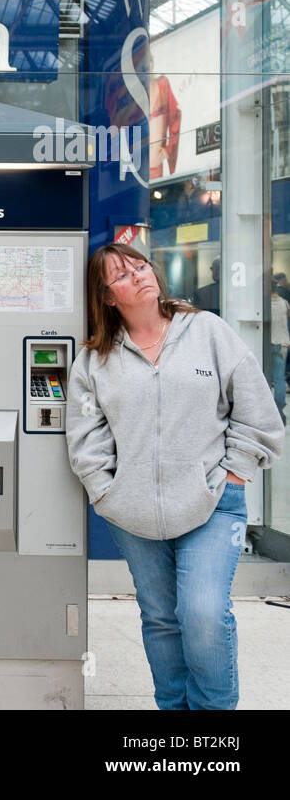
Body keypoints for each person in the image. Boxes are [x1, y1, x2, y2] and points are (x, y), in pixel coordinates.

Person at [66, 243, 283, 710]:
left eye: (140, 265)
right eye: (122, 275)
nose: (139, 276)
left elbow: (258, 413)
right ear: (106, 297)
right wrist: (107, 493)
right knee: (161, 617)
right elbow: (86, 439)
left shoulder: (207, 331)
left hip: (212, 501)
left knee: (203, 613)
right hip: (132, 511)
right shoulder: (95, 359)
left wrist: (236, 474)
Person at [271, 277, 289, 423]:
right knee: (280, 380)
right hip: (283, 344)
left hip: (269, 343)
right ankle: (280, 412)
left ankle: (270, 413)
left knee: (266, 380)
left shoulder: (265, 304)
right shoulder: (284, 304)